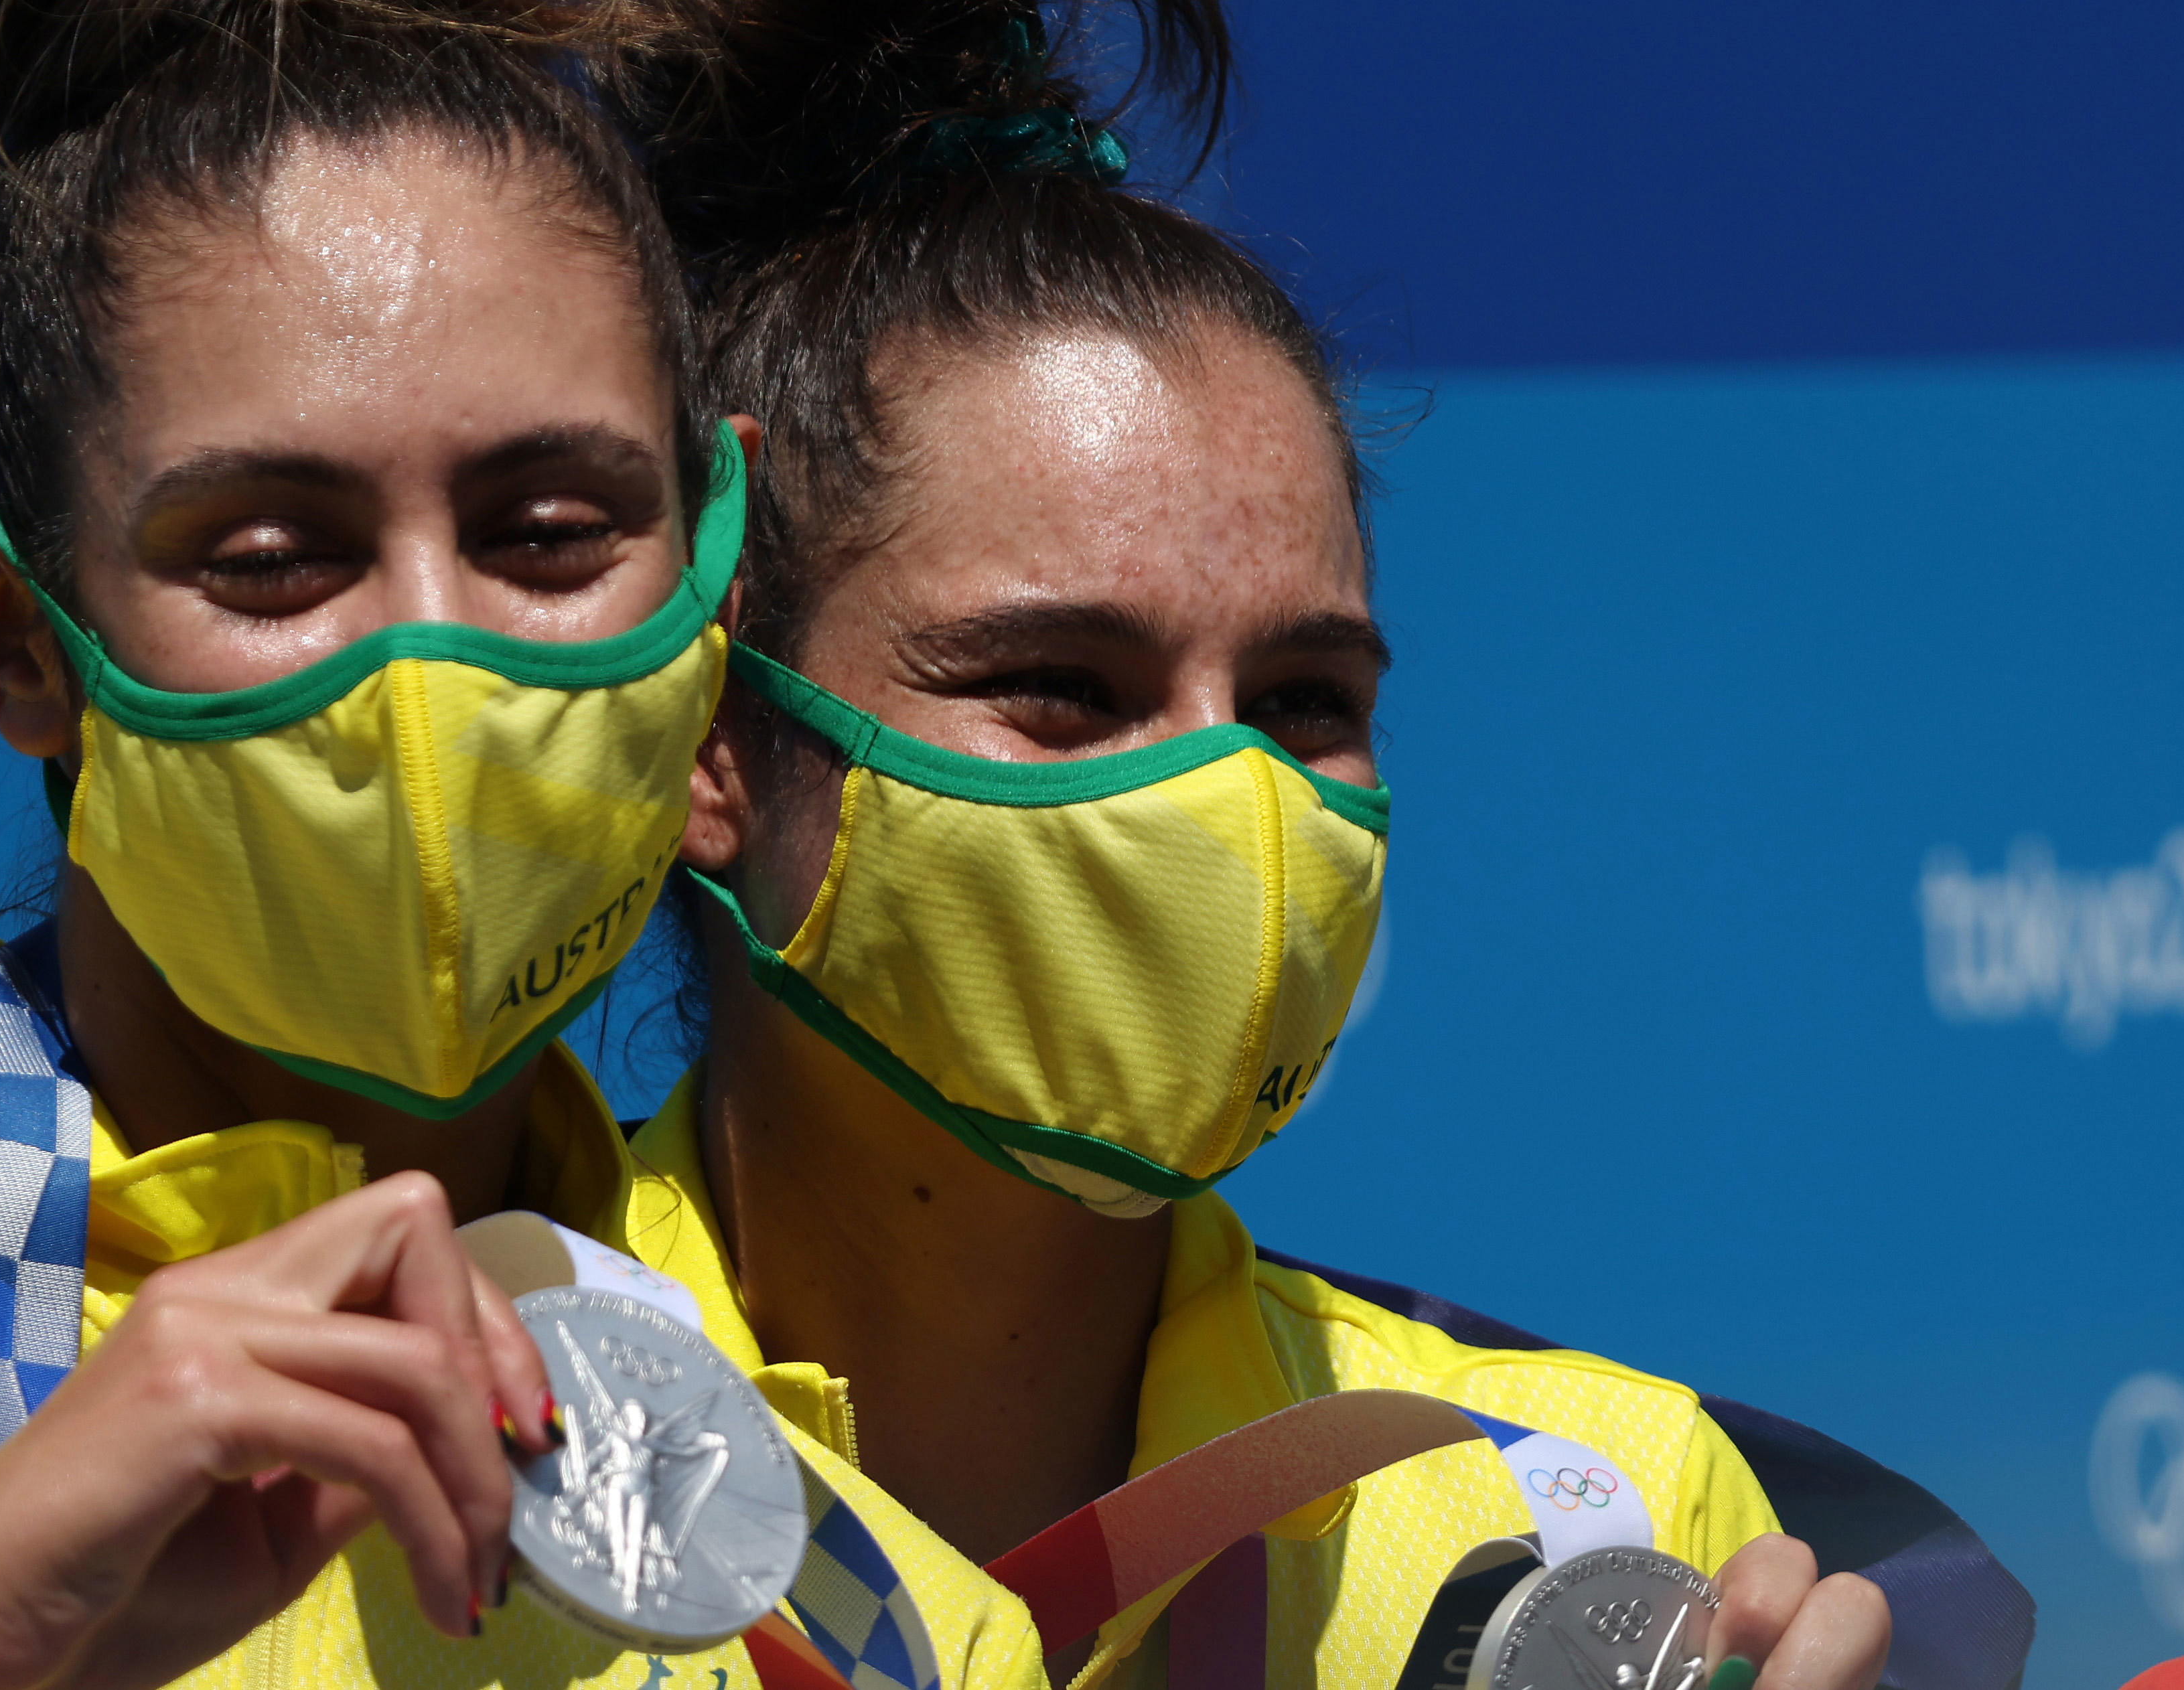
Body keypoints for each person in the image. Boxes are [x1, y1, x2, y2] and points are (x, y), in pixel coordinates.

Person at [592, 2, 1911, 1684]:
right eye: (1063, 685)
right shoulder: (391, 1476)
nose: (1229, 804)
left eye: (1301, 700)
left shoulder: (1611, 1544)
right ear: (713, 733)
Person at [0, 2, 769, 1686]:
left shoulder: (817, 1498)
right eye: (277, 557)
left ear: (716, 568)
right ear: (9, 633)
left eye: (551, 532)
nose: (432, 657)